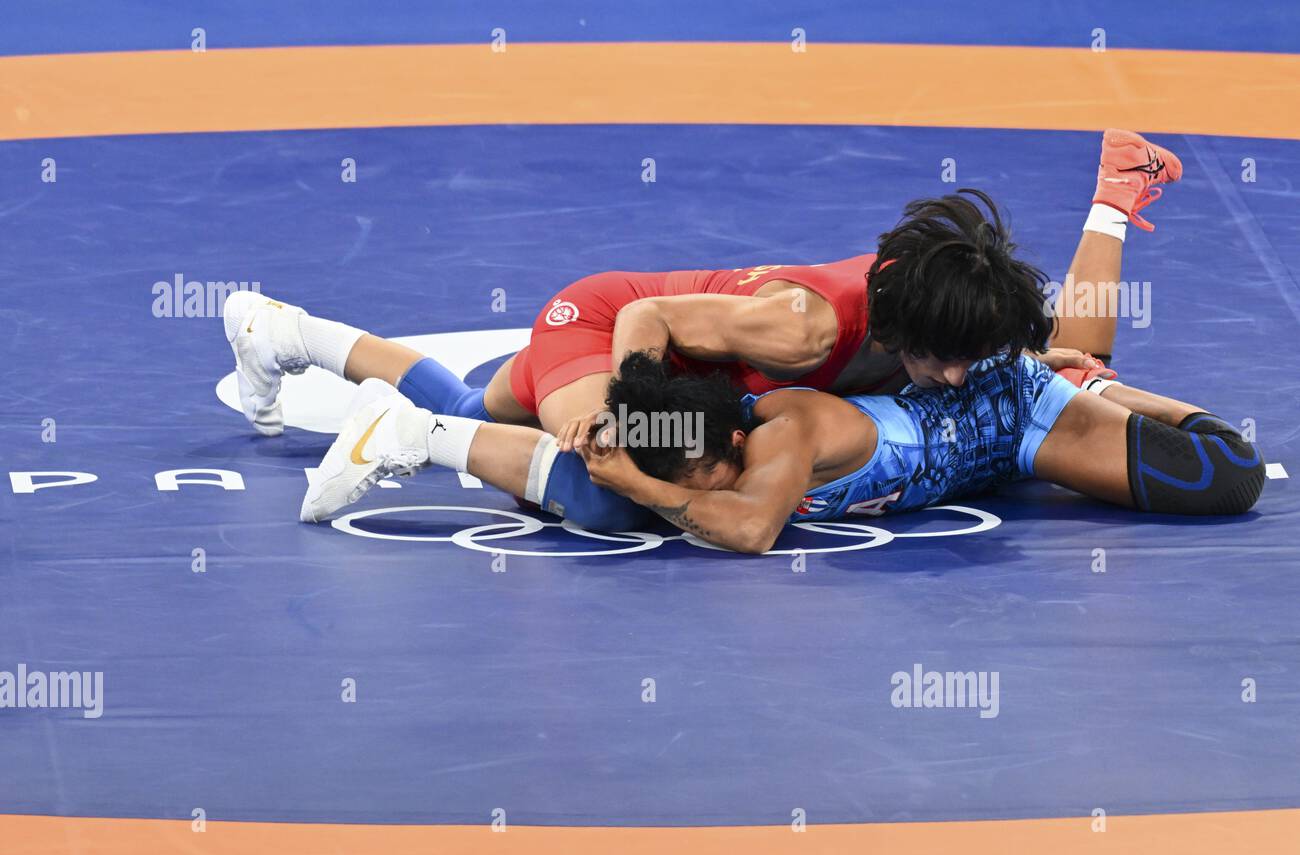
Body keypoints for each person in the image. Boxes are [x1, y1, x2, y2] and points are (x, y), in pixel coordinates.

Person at [226, 129, 1181, 530]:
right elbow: (646, 315)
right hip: (606, 319)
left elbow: (1059, 349)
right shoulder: (804, 331)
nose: (964, 375)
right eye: (958, 357)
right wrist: (639, 423)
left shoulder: (946, 301)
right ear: (909, 328)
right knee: (612, 487)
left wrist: (1027, 350)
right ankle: (406, 437)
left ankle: (287, 332)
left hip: (686, 357)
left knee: (489, 409)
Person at [295, 348, 1265, 553]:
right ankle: (419, 427)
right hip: (975, 447)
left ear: (724, 443)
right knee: (606, 488)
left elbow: (751, 529)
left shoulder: (789, 431)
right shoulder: (718, 432)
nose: (683, 486)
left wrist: (1089, 391)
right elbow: (686, 475)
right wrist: (624, 463)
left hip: (1009, 423)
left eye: (688, 469)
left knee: (1224, 474)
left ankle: (1091, 374)